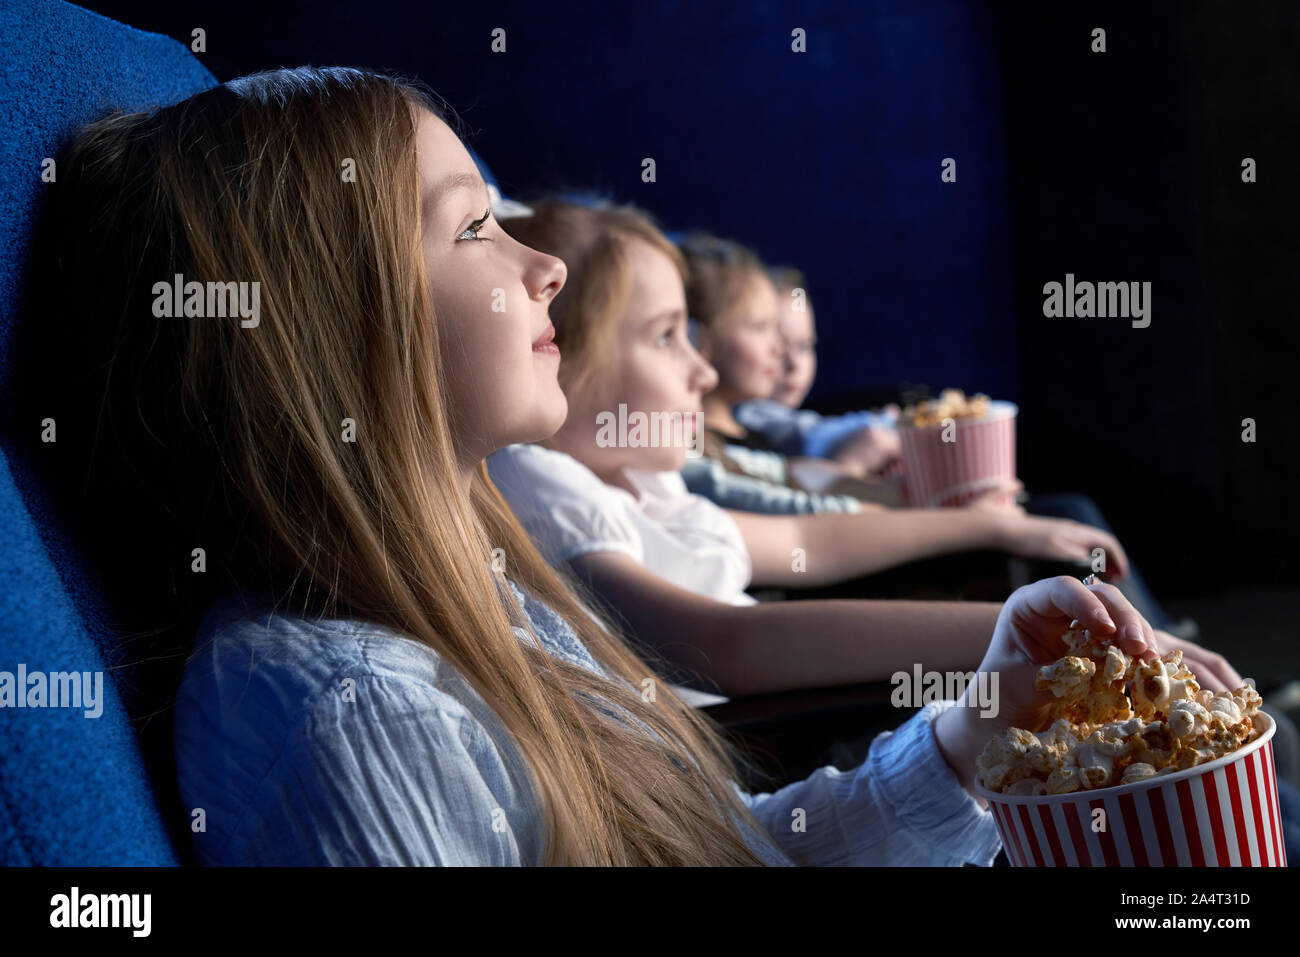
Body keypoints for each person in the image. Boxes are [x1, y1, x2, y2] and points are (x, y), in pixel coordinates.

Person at [490, 200, 1237, 700]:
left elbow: (809, 535)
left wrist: (1000, 525)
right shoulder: (541, 482)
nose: (704, 369)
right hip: (775, 761)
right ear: (558, 353)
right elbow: (722, 643)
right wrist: (1040, 626)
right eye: (665, 337)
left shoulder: (641, 483)